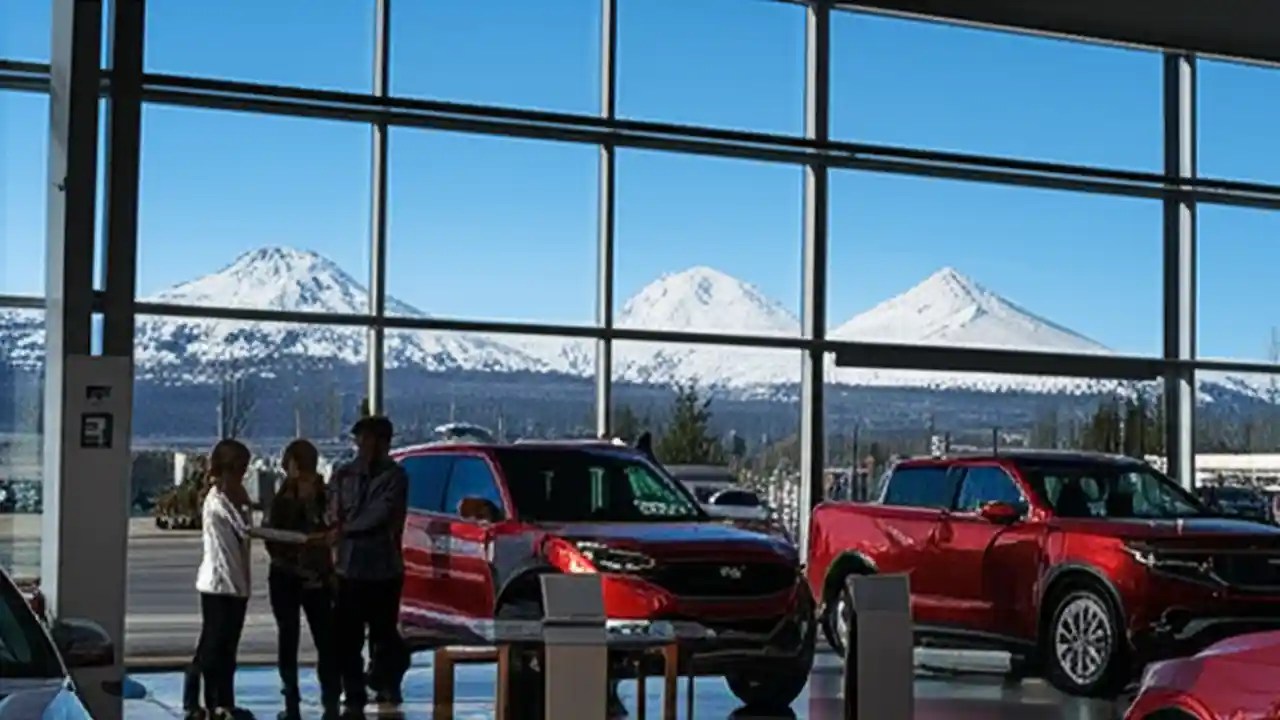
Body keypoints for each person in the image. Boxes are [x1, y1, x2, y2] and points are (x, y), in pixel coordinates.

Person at [328, 416, 411, 710]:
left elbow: (381, 514)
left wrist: (345, 529)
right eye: (361, 441)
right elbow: (333, 508)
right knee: (347, 637)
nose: (365, 447)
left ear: (385, 443)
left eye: (373, 441)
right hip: (349, 569)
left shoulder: (395, 477)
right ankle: (353, 692)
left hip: (382, 569)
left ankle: (386, 682)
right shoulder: (343, 475)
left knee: (383, 634)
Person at [264, 439, 340, 720]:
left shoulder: (310, 495)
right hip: (301, 574)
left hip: (302, 574)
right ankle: (312, 696)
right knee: (308, 636)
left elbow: (272, 531)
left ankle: (317, 696)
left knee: (309, 636)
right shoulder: (300, 493)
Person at [181, 439, 256, 720]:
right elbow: (244, 528)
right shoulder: (218, 499)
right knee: (212, 644)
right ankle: (197, 700)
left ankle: (225, 700)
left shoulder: (235, 497)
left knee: (228, 648)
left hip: (236, 583)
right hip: (217, 583)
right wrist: (242, 500)